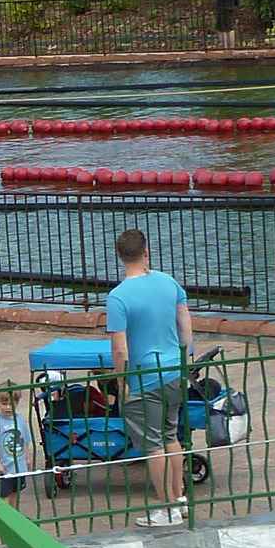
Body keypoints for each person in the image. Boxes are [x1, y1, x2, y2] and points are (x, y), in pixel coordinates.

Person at [105, 226, 194, 527]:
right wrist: (185, 356)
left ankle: (165, 507)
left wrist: (121, 380)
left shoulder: (118, 297)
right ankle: (180, 498)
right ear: (146, 251)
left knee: (152, 443)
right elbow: (185, 323)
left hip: (145, 376)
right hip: (174, 371)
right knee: (171, 435)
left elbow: (119, 347)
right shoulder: (169, 283)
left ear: (120, 256)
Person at [0, 381, 29, 501]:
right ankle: (4, 518)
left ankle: (14, 515)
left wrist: (27, 457)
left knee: (15, 492)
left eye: (12, 404)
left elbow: (26, 440)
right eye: (4, 403)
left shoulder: (21, 419)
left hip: (19, 466)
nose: (8, 407)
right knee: (4, 495)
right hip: (5, 467)